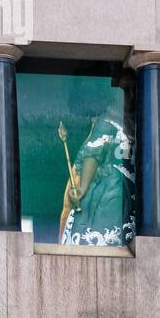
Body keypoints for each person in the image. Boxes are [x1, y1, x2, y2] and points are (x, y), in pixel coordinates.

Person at [59, 106, 135, 247]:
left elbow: (93, 154)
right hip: (114, 190)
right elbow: (93, 155)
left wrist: (83, 186)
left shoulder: (115, 123)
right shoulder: (109, 123)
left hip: (120, 192)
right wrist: (82, 187)